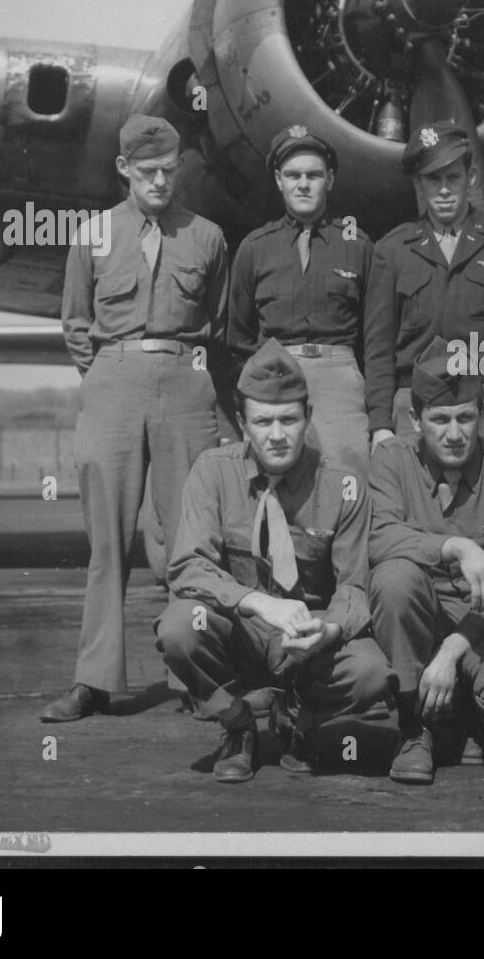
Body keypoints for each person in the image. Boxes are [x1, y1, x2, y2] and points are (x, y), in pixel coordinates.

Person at [43, 114, 227, 722]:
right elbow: (75, 323)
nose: (159, 181)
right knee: (108, 540)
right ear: (123, 168)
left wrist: (195, 379)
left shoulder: (207, 236)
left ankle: (198, 678)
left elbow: (218, 326)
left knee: (190, 535)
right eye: (146, 171)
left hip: (184, 381)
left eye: (169, 171)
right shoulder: (91, 235)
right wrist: (102, 376)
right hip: (112, 381)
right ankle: (93, 681)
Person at [153, 340, 393, 782]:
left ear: (309, 417)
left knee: (370, 671)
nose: (277, 435)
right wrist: (258, 603)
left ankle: (297, 717)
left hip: (308, 638)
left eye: (289, 419)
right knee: (181, 627)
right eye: (263, 422)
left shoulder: (344, 485)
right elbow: (188, 566)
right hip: (240, 630)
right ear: (243, 423)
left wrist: (329, 630)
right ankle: (237, 724)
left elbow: (355, 586)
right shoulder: (212, 470)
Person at [366, 338, 484, 784]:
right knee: (393, 580)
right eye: (440, 419)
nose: (454, 434)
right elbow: (379, 538)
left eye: (466, 418)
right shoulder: (391, 461)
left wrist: (454, 648)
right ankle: (415, 725)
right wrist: (456, 547)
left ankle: (473, 712)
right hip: (421, 616)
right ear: (415, 419)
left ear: (483, 416)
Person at [364, 121, 484, 460]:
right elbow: (378, 349)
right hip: (414, 405)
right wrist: (380, 424)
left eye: (453, 177)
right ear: (419, 183)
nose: (444, 190)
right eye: (433, 179)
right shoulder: (392, 250)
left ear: (471, 177)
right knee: (416, 509)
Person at [228, 125, 373, 471]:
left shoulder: (358, 245)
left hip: (339, 381)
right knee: (275, 485)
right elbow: (237, 337)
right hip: (274, 382)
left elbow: (376, 338)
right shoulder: (255, 248)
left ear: (330, 179)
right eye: (293, 175)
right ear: (279, 180)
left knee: (348, 480)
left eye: (314, 175)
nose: (303, 184)